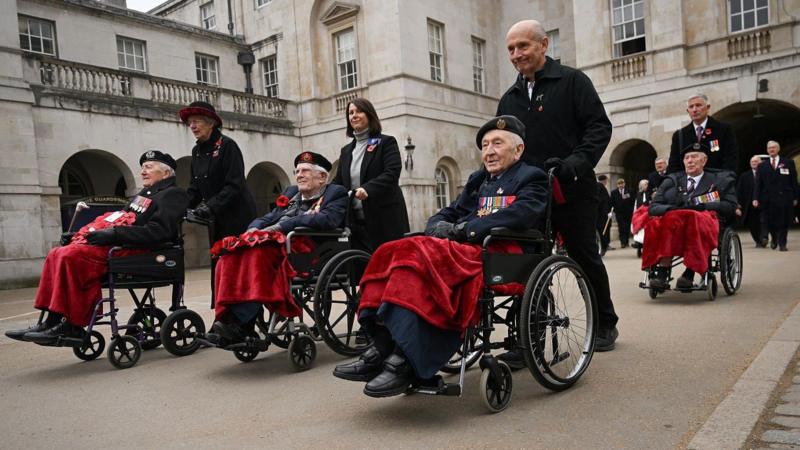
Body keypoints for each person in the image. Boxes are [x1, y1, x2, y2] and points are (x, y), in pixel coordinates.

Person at [332, 116, 548, 397]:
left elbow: (520, 214)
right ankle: (383, 344)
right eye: (484, 145)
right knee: (391, 251)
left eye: (497, 143)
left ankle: (405, 360)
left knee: (422, 255)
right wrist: (437, 226)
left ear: (518, 150)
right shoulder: (478, 180)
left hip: (503, 250)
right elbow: (452, 210)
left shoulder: (531, 176)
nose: (489, 151)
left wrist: (463, 230)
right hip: (467, 247)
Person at [496, 19, 618, 352]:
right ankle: (528, 333)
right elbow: (503, 146)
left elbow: (598, 128)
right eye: (511, 49)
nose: (517, 54)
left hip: (572, 190)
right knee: (524, 262)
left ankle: (605, 322)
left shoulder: (573, 81)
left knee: (584, 257)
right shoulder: (509, 99)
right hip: (529, 197)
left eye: (523, 46)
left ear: (543, 45)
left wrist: (574, 164)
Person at [5, 151, 188, 343]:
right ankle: (51, 321)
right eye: (142, 167)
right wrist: (79, 236)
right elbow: (118, 220)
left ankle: (73, 325)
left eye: (149, 167)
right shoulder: (144, 194)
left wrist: (115, 234)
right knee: (56, 253)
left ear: (166, 174)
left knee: (72, 256)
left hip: (142, 250)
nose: (142, 171)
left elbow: (159, 232)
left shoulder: (173, 194)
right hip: (122, 246)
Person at [207, 152, 348, 344]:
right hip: (278, 244)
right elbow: (269, 216)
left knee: (256, 256)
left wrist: (285, 226)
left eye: (305, 170)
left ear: (322, 177)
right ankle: (230, 320)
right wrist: (254, 229)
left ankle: (241, 321)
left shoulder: (335, 193)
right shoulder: (291, 193)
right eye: (297, 171)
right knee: (229, 256)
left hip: (308, 249)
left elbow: (328, 219)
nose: (299, 175)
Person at [646, 143, 737, 290]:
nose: (690, 160)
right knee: (665, 221)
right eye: (687, 158)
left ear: (704, 161)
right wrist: (671, 208)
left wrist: (704, 206)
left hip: (704, 223)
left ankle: (689, 273)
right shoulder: (671, 181)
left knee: (695, 220)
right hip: (674, 224)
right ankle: (662, 274)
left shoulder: (720, 181)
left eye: (694, 157)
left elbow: (730, 206)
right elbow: (653, 207)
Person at [332, 98, 409, 253]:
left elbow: (391, 173)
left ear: (369, 114)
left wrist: (367, 189)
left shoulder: (385, 142)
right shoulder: (346, 151)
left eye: (359, 111)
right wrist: (321, 193)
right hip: (356, 224)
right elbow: (338, 182)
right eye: (350, 112)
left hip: (384, 220)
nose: (354, 115)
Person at [180, 101, 256, 243]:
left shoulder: (227, 145)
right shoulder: (196, 151)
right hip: (215, 217)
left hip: (236, 215)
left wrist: (210, 206)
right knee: (217, 258)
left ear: (211, 123)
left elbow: (234, 184)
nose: (192, 126)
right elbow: (194, 188)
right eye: (190, 123)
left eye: (196, 121)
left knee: (233, 260)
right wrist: (179, 207)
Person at [667, 94, 738, 174]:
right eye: (691, 107)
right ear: (688, 111)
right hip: (689, 183)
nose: (694, 110)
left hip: (716, 181)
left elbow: (730, 159)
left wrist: (723, 181)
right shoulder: (680, 135)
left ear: (707, 108)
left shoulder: (723, 129)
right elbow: (674, 165)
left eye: (698, 105)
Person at [755, 141, 798, 251]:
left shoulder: (788, 163)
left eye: (773, 148)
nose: (771, 150)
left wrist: (795, 197)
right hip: (768, 199)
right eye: (769, 148)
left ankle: (782, 243)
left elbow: (793, 181)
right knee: (770, 222)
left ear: (778, 149)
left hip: (784, 197)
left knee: (784, 221)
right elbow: (758, 184)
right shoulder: (762, 166)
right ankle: (774, 238)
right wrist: (755, 198)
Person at [736, 155, 764, 247]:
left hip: (763, 203)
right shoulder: (744, 176)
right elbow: (739, 190)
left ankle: (764, 238)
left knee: (764, 221)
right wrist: (738, 203)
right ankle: (758, 240)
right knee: (752, 224)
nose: (754, 163)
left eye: (756, 161)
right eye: (752, 162)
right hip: (748, 205)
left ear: (760, 163)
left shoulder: (766, 173)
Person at [610, 178, 635, 248]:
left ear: (624, 183)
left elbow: (632, 201)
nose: (621, 185)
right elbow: (611, 202)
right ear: (617, 185)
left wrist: (632, 210)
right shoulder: (613, 192)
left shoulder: (629, 191)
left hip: (628, 212)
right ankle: (622, 242)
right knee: (621, 227)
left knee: (627, 227)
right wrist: (613, 210)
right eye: (619, 184)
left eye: (622, 183)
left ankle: (626, 241)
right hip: (619, 213)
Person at [596, 175, 612, 255]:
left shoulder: (600, 186)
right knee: (601, 231)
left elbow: (605, 201)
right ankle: (603, 247)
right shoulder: (599, 186)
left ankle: (604, 246)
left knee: (603, 231)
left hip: (603, 214)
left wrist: (608, 211)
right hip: (600, 214)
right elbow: (602, 201)